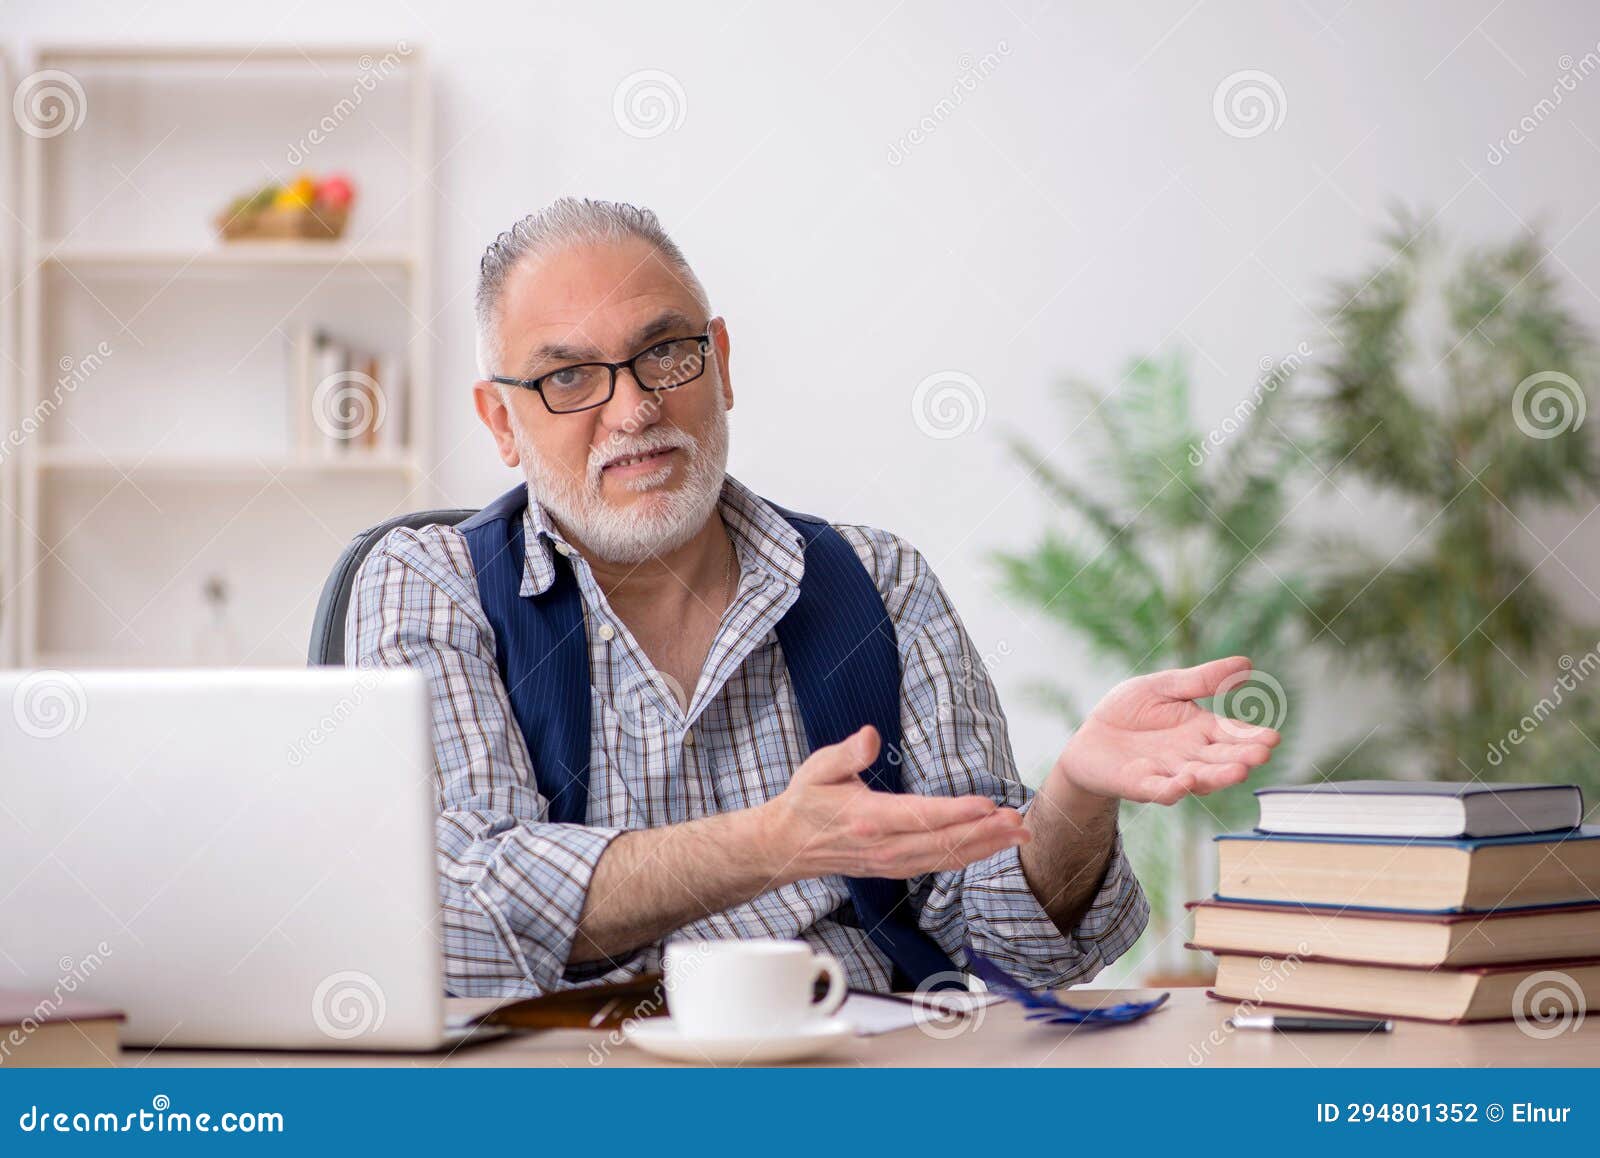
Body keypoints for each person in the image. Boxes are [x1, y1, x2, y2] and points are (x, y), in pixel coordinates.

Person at [347, 197, 1280, 998]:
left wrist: (1076, 794)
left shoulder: (881, 584)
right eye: (568, 378)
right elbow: (453, 909)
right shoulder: (431, 587)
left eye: (664, 353)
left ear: (719, 361)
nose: (632, 410)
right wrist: (776, 843)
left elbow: (1011, 951)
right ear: (501, 421)